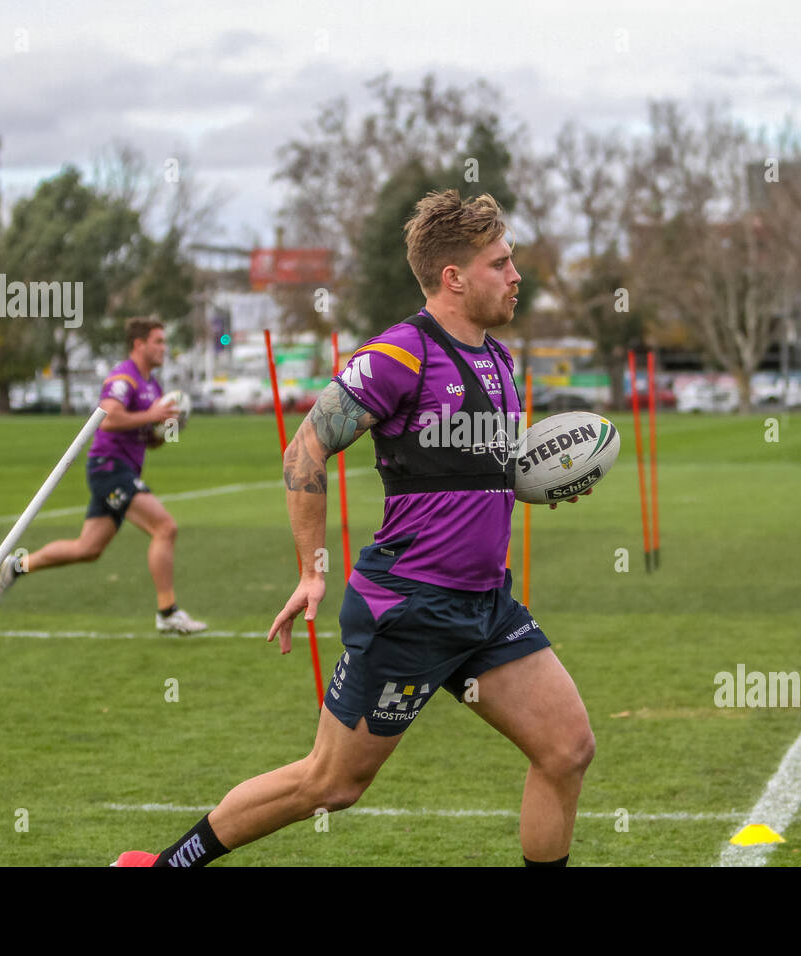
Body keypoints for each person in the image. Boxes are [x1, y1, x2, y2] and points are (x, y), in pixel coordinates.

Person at [113, 190, 593, 869]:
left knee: (567, 748)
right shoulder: (398, 355)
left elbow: (483, 470)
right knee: (331, 783)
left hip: (486, 606)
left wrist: (543, 483)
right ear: (453, 277)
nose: (516, 276)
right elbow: (304, 450)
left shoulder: (501, 363)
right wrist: (312, 569)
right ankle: (164, 865)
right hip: (411, 605)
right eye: (501, 263)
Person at [0, 317, 207, 635]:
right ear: (139, 344)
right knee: (165, 527)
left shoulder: (154, 386)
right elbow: (106, 419)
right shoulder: (125, 378)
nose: (164, 348)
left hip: (122, 469)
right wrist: (153, 415)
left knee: (88, 549)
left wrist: (171, 427)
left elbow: (152, 440)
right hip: (109, 467)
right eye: (158, 341)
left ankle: (17, 565)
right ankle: (167, 611)